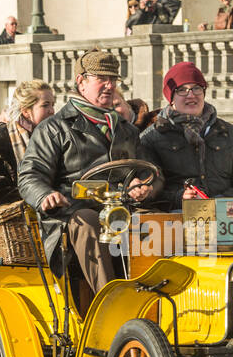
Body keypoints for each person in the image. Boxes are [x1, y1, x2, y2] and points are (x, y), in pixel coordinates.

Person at [18, 50, 155, 297]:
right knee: (90, 223)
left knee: (157, 222)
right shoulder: (55, 128)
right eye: (101, 78)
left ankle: (156, 298)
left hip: (121, 209)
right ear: (81, 82)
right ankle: (110, 303)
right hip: (70, 217)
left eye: (113, 79)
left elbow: (149, 172)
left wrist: (144, 185)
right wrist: (45, 195)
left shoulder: (126, 130)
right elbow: (30, 176)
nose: (110, 85)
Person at [139, 62, 233, 211]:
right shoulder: (152, 137)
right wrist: (180, 198)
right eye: (182, 90)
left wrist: (218, 203)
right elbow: (149, 193)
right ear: (171, 98)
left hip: (228, 217)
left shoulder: (229, 133)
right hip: (177, 220)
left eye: (196, 88)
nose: (191, 95)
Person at [0, 79, 55, 205]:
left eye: (52, 104)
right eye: (45, 105)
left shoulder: (50, 138)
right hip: (15, 215)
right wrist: (39, 196)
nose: (52, 110)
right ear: (26, 111)